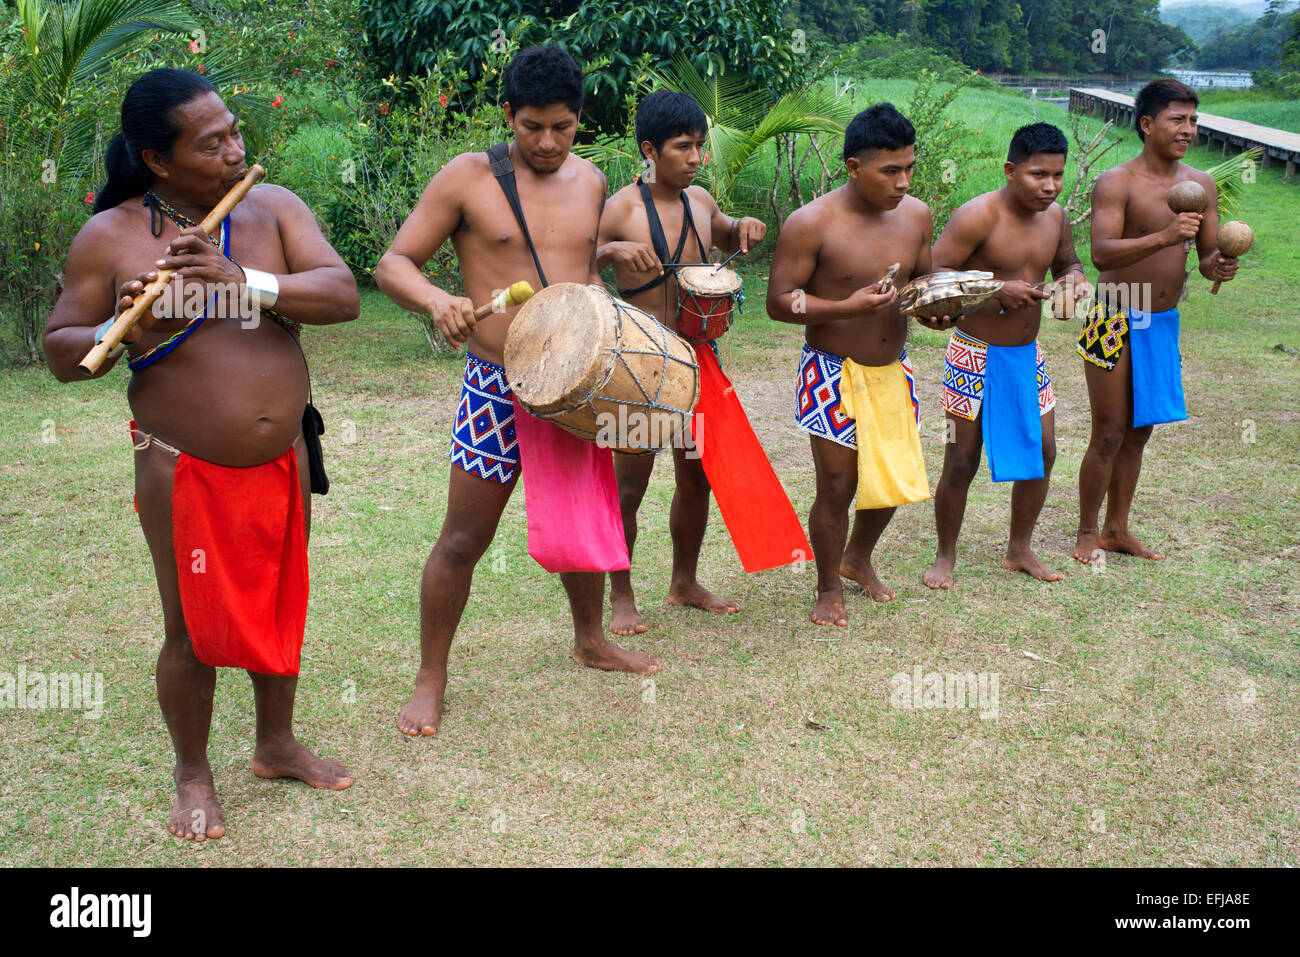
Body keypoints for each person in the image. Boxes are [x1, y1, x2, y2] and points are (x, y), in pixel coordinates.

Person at [42, 69, 360, 841]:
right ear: (157, 159)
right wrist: (119, 333)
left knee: (281, 600)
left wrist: (241, 280)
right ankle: (193, 773)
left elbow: (342, 294)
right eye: (211, 141)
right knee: (189, 627)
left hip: (282, 454)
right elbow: (60, 347)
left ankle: (276, 744)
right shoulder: (111, 234)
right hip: (180, 464)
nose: (234, 149)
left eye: (233, 131)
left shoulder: (274, 208)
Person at [376, 45, 658, 739]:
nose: (547, 142)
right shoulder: (467, 179)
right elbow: (392, 262)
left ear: (579, 121)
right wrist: (437, 300)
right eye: (532, 126)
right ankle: (431, 677)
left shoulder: (590, 180)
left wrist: (607, 290)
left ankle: (590, 637)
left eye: (562, 126)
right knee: (465, 536)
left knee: (586, 519)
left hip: (576, 382)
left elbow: (578, 265)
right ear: (508, 115)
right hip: (497, 383)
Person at [767, 103, 958, 627]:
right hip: (830, 369)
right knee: (836, 484)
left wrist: (935, 315)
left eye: (909, 169)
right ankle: (828, 585)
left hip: (892, 367)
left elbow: (922, 285)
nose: (903, 182)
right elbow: (780, 302)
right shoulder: (811, 224)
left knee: (889, 477)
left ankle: (858, 556)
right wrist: (845, 307)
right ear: (854, 167)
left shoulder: (917, 215)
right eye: (889, 170)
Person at [595, 90, 767, 636]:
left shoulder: (701, 201)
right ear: (650, 150)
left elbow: (726, 231)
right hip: (640, 366)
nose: (695, 158)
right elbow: (576, 263)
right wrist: (611, 252)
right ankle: (620, 595)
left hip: (697, 361)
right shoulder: (620, 208)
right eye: (682, 148)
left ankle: (684, 582)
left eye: (700, 147)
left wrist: (745, 224)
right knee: (629, 487)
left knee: (698, 478)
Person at [1073, 79, 1238, 564]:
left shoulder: (1200, 184)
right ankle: (1086, 532)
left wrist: (1218, 265)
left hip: (1161, 320)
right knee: (1108, 429)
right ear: (1147, 124)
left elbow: (1206, 257)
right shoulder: (1117, 182)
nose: (1188, 129)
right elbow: (1101, 254)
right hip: (1112, 312)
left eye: (1194, 121)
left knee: (1139, 430)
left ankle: (1116, 529)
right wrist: (1165, 237)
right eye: (1177, 119)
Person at [924, 122, 1092, 588]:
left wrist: (1074, 280)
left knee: (1044, 450)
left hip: (1026, 354)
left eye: (1058, 175)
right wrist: (998, 288)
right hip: (972, 353)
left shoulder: (1055, 217)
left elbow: (1068, 262)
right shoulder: (977, 216)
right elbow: (933, 277)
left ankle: (1020, 549)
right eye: (1039, 175)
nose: (1050, 186)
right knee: (961, 460)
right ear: (1011, 170)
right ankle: (945, 555)